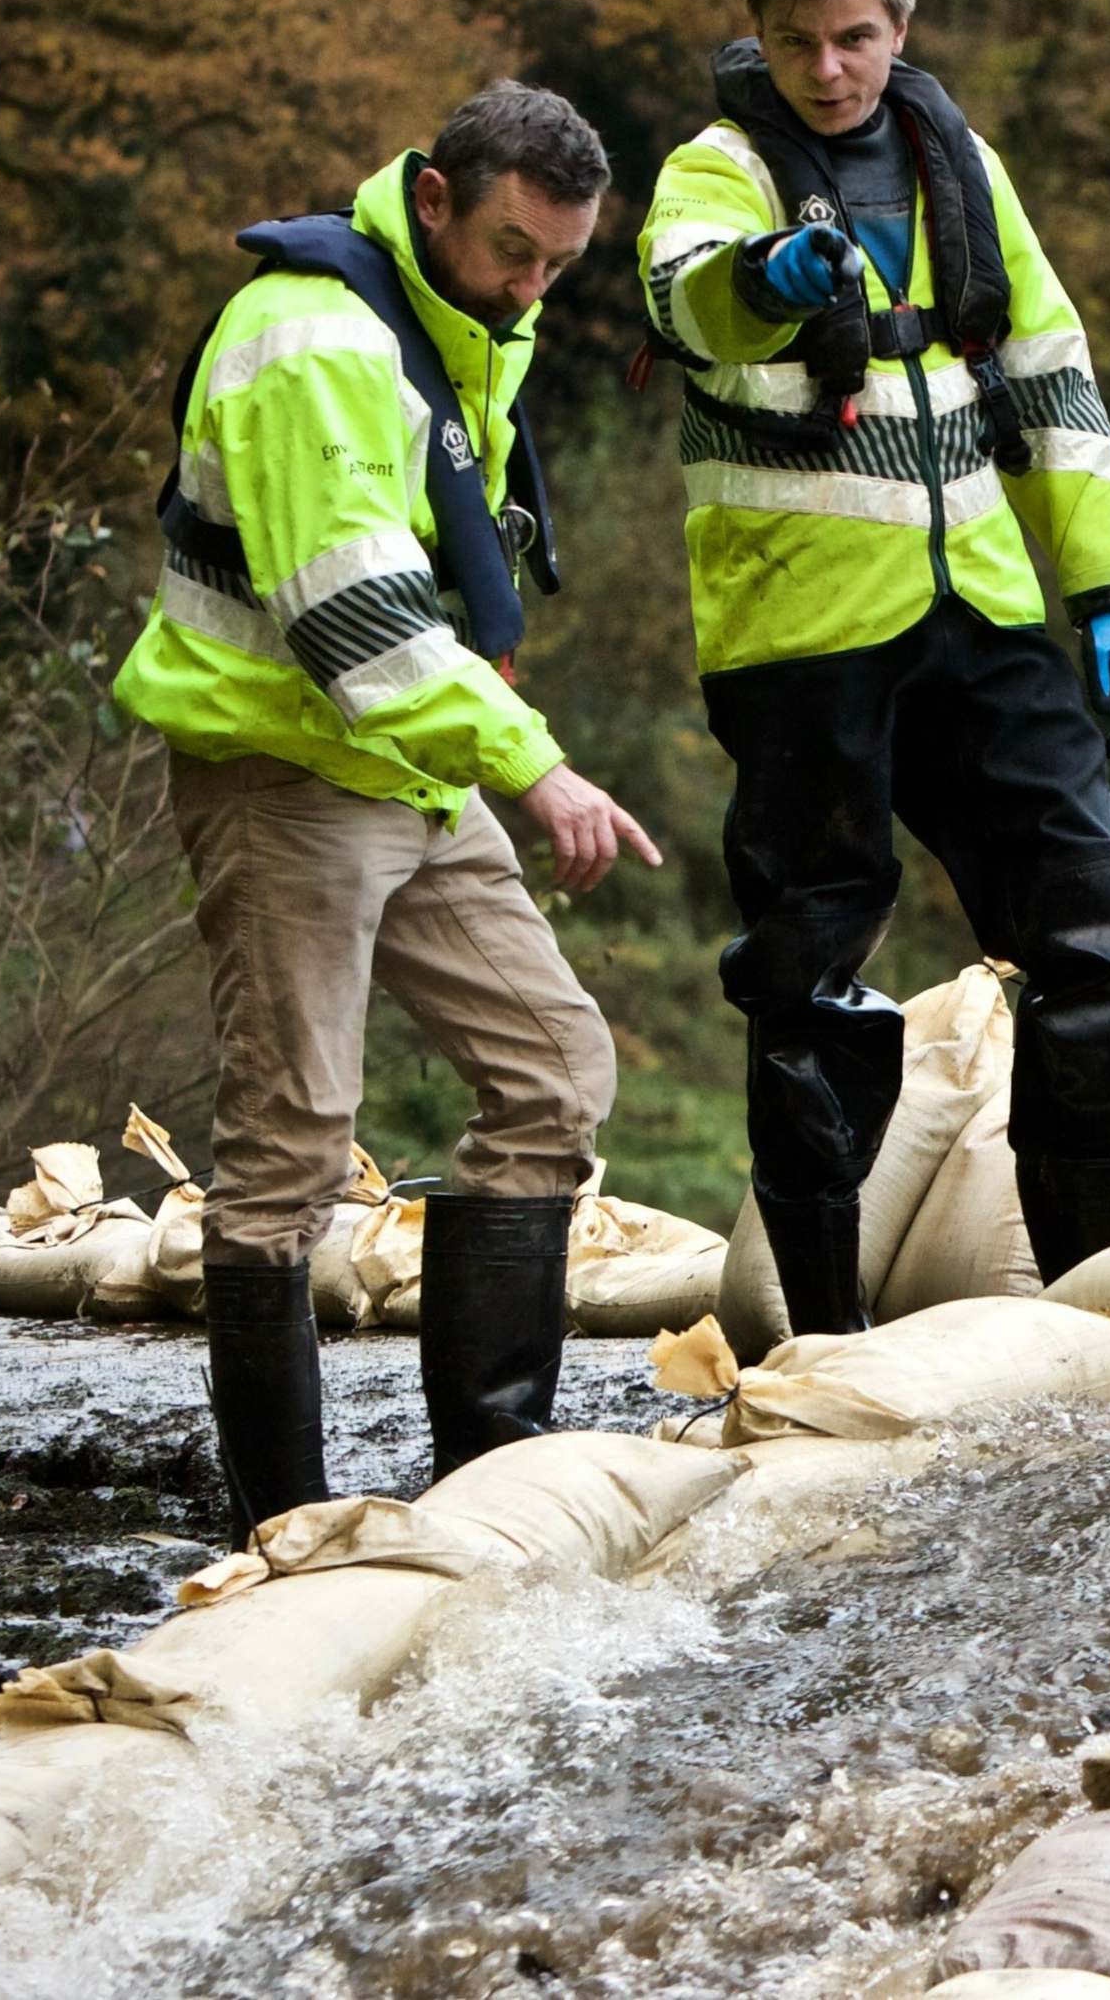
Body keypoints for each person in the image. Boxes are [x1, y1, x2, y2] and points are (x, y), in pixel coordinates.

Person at [106, 81, 665, 1534]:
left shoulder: (461, 314)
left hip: (408, 766)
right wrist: (536, 766)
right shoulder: (315, 343)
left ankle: (485, 1481)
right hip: (284, 765)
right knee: (291, 1139)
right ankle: (282, 1521)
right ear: (431, 197)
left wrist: (493, 748)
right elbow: (354, 620)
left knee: (552, 1067)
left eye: (559, 261)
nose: (532, 286)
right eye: (510, 251)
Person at [637, 0, 1110, 1334]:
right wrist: (770, 277)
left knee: (1102, 925)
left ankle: (1092, 1315)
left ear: (899, 26)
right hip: (803, 634)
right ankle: (823, 1336)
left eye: (856, 37)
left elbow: (1053, 378)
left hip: (981, 611)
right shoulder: (719, 166)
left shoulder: (957, 162)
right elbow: (683, 299)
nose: (829, 69)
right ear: (761, 35)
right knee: (809, 979)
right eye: (800, 41)